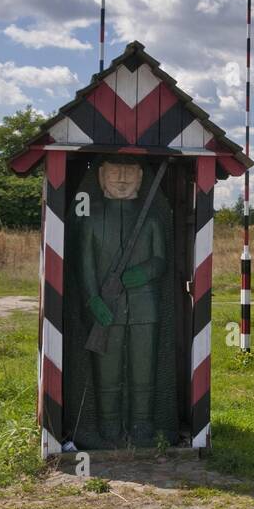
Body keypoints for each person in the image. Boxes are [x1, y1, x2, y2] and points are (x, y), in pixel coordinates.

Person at [76, 159, 168, 446]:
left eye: (129, 172)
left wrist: (142, 273)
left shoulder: (150, 221)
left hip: (144, 308)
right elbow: (85, 268)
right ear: (102, 177)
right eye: (115, 172)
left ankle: (142, 424)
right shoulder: (92, 221)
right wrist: (94, 301)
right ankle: (109, 426)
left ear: (141, 178)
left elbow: (160, 261)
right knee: (108, 372)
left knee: (144, 370)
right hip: (106, 309)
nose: (122, 179)